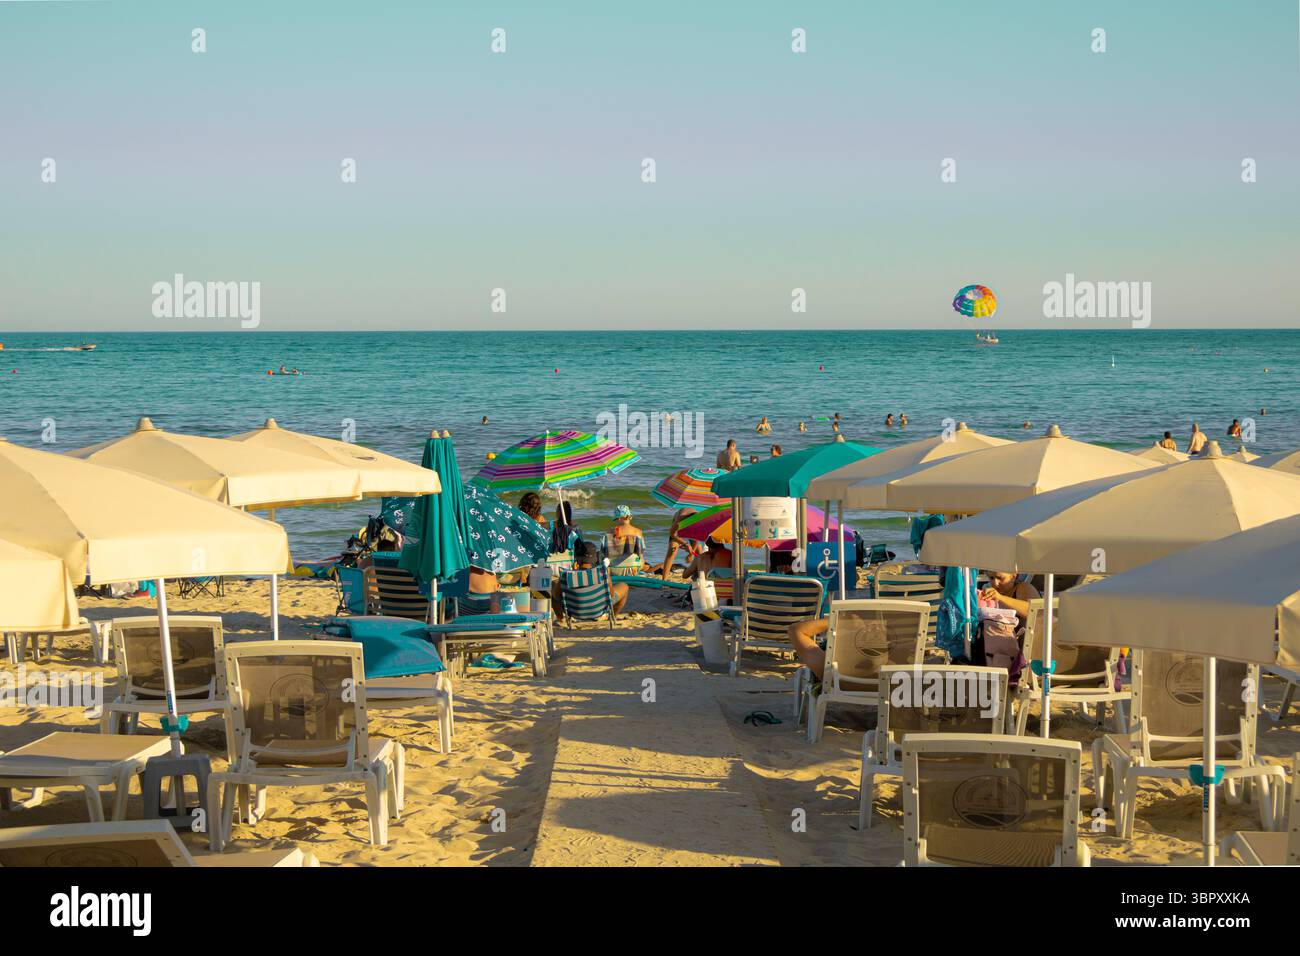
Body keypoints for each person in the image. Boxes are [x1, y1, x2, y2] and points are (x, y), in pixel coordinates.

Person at [553, 539, 628, 616]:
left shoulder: (566, 575)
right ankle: (613, 616)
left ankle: (561, 620)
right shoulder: (603, 574)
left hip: (574, 612)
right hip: (599, 610)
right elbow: (610, 595)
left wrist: (574, 571)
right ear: (596, 558)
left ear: (576, 558)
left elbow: (556, 596)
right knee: (624, 586)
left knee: (554, 588)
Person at [655, 507, 701, 579]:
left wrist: (691, 553)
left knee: (699, 552)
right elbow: (672, 533)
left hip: (692, 527)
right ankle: (664, 579)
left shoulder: (699, 521)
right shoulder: (680, 519)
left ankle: (699, 575)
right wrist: (684, 543)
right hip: (678, 530)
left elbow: (696, 539)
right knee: (672, 549)